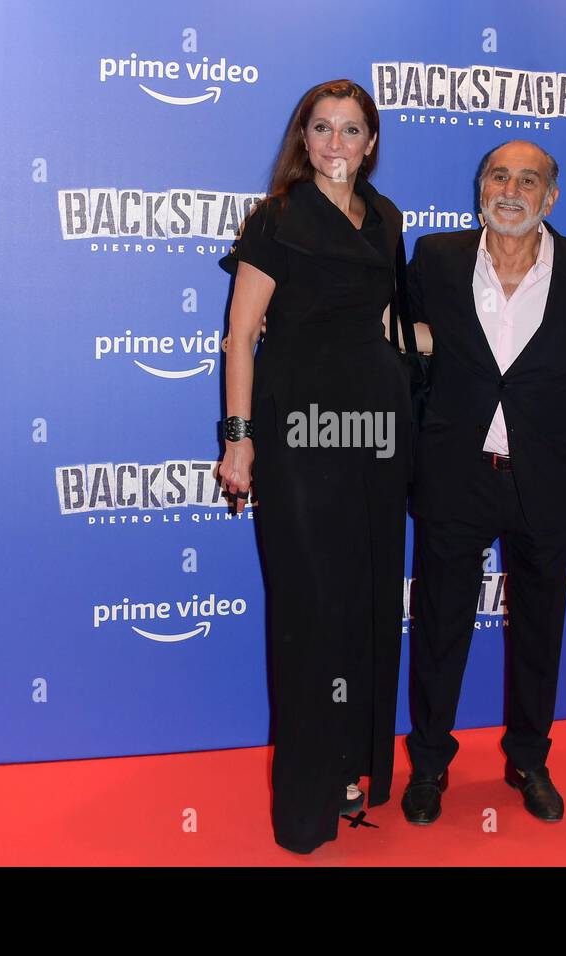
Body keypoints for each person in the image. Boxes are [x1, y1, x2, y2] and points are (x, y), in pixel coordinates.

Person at [217, 79, 413, 854]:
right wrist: (239, 438)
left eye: (352, 130)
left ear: (371, 141)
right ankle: (304, 808)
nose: (337, 144)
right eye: (322, 129)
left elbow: (392, 320)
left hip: (376, 425)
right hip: (297, 428)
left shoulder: (389, 218)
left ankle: (350, 772)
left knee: (367, 598)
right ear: (304, 138)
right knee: (310, 607)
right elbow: (241, 336)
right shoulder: (278, 220)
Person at [399, 140, 566, 825]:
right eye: (499, 175)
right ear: (479, 188)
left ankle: (529, 759)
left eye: (530, 179)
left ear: (551, 197)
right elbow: (405, 363)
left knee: (539, 629)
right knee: (439, 626)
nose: (512, 189)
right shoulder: (435, 260)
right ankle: (430, 765)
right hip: (454, 478)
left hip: (547, 484)